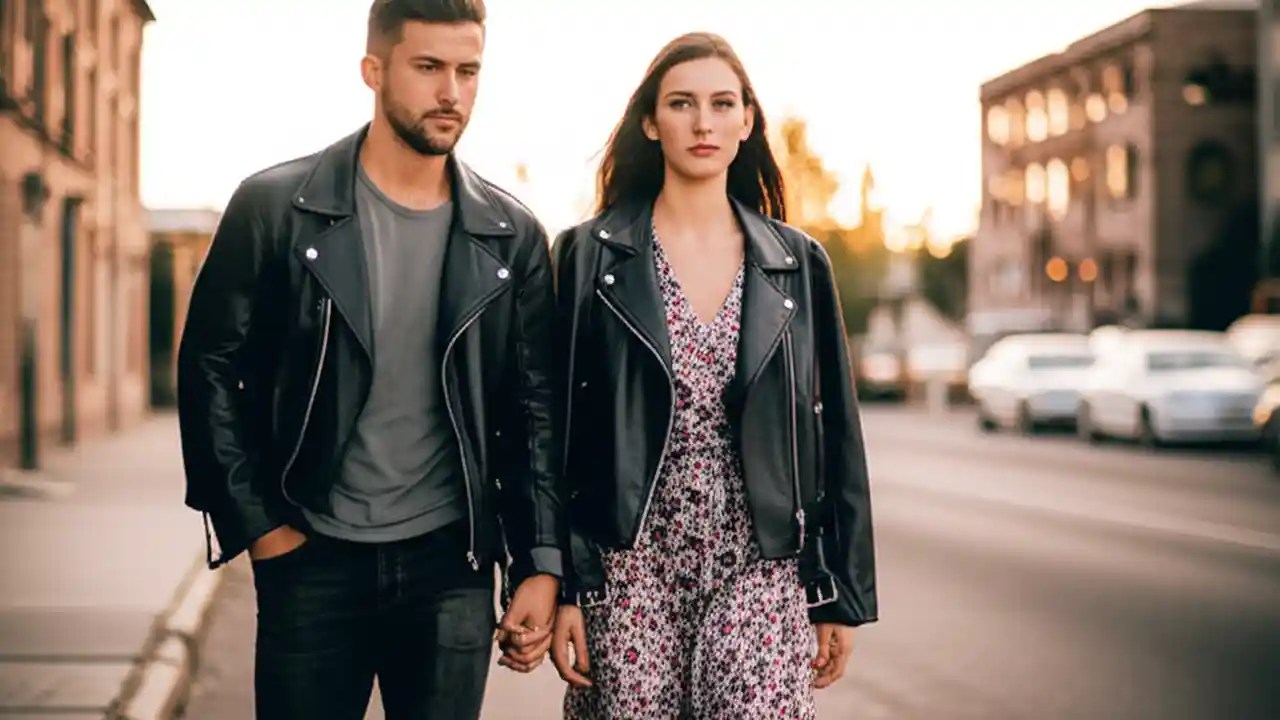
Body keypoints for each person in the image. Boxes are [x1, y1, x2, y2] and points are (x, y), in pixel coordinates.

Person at [176, 1, 563, 717]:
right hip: (312, 555)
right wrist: (261, 527)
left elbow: (534, 411)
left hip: (451, 564)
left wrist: (540, 563)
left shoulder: (510, 238)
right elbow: (208, 372)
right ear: (374, 71)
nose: (451, 92)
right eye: (428, 68)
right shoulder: (275, 209)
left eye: (467, 70)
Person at [548, 32, 878, 718]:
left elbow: (837, 431)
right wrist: (563, 585)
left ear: (747, 120)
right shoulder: (586, 256)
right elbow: (554, 430)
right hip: (628, 564)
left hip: (760, 566)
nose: (703, 123)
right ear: (650, 121)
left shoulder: (795, 261)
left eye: (722, 104)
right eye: (682, 104)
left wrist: (840, 592)